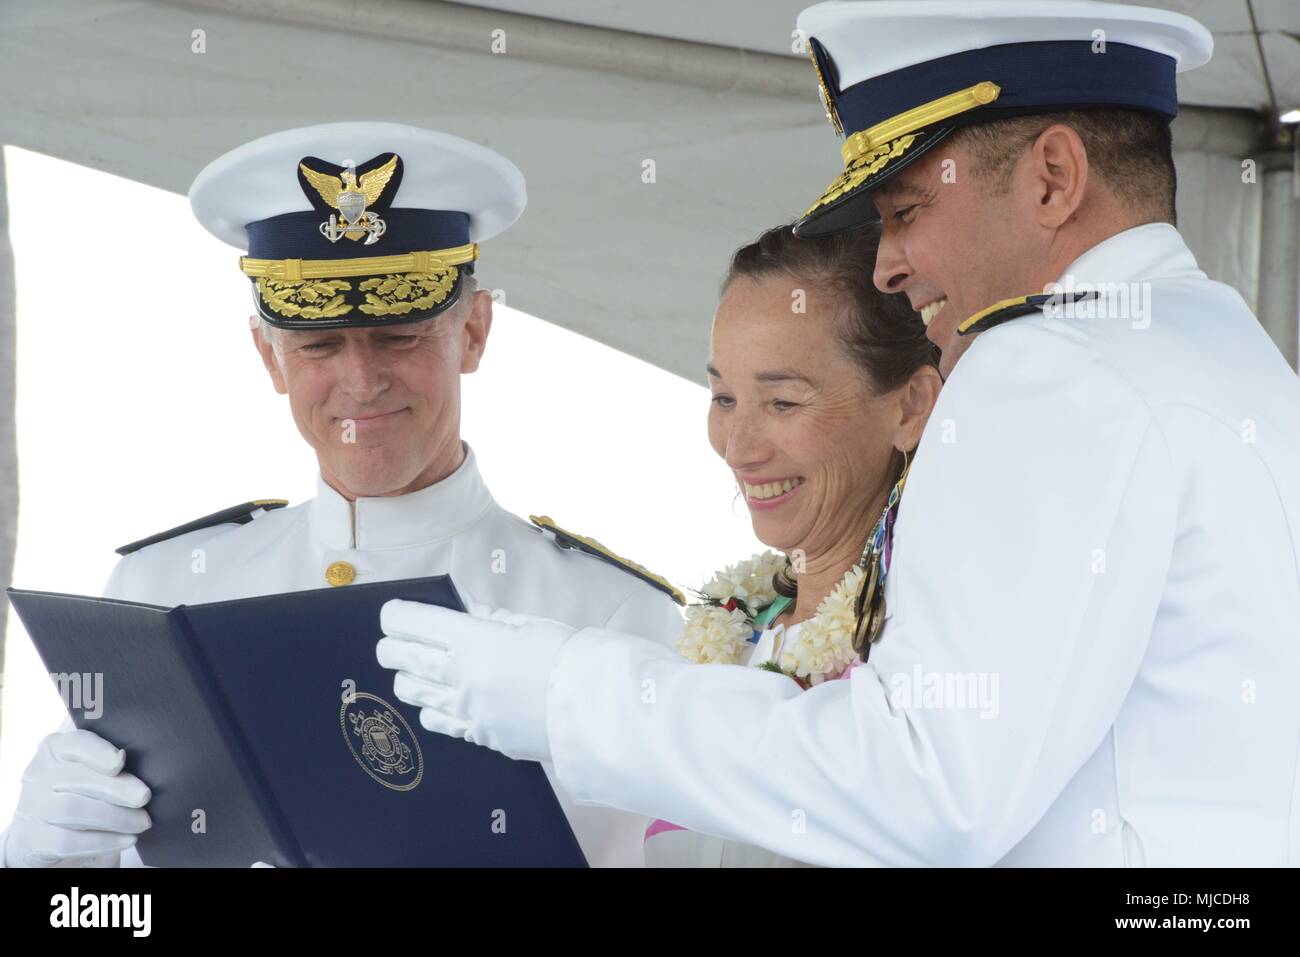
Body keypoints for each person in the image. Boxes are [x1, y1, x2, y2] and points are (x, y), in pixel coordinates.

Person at [374, 2, 1300, 866]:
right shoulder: (1236, 358)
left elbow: (925, 782)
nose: (889, 266)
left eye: (905, 212)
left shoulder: (1049, 368)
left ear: (1053, 178)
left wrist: (559, 692)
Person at [1, 122, 683, 869]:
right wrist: (44, 869)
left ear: (475, 330)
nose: (361, 382)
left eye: (401, 336)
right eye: (319, 345)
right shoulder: (155, 591)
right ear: (270, 355)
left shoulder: (615, 617)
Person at [634, 222, 940, 866]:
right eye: (723, 397)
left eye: (782, 402)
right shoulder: (728, 634)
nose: (738, 448)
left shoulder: (929, 648)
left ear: (910, 406)